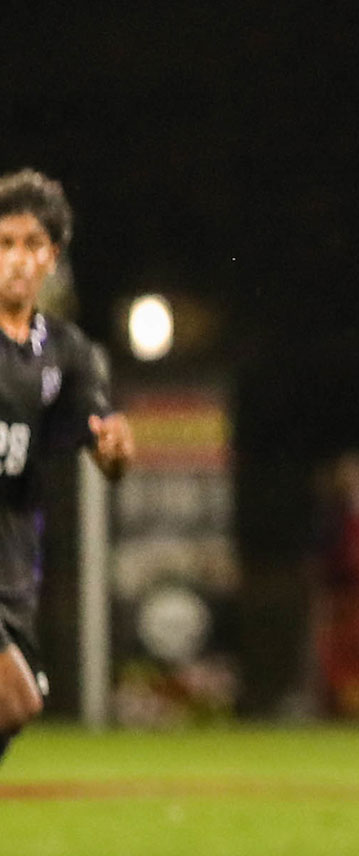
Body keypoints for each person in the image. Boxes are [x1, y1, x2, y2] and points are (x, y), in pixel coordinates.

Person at [0, 169, 134, 765]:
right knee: (16, 699)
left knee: (14, 710)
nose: (17, 260)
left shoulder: (67, 353)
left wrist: (114, 450)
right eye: (4, 244)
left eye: (31, 245)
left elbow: (105, 446)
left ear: (52, 256)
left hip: (13, 564)